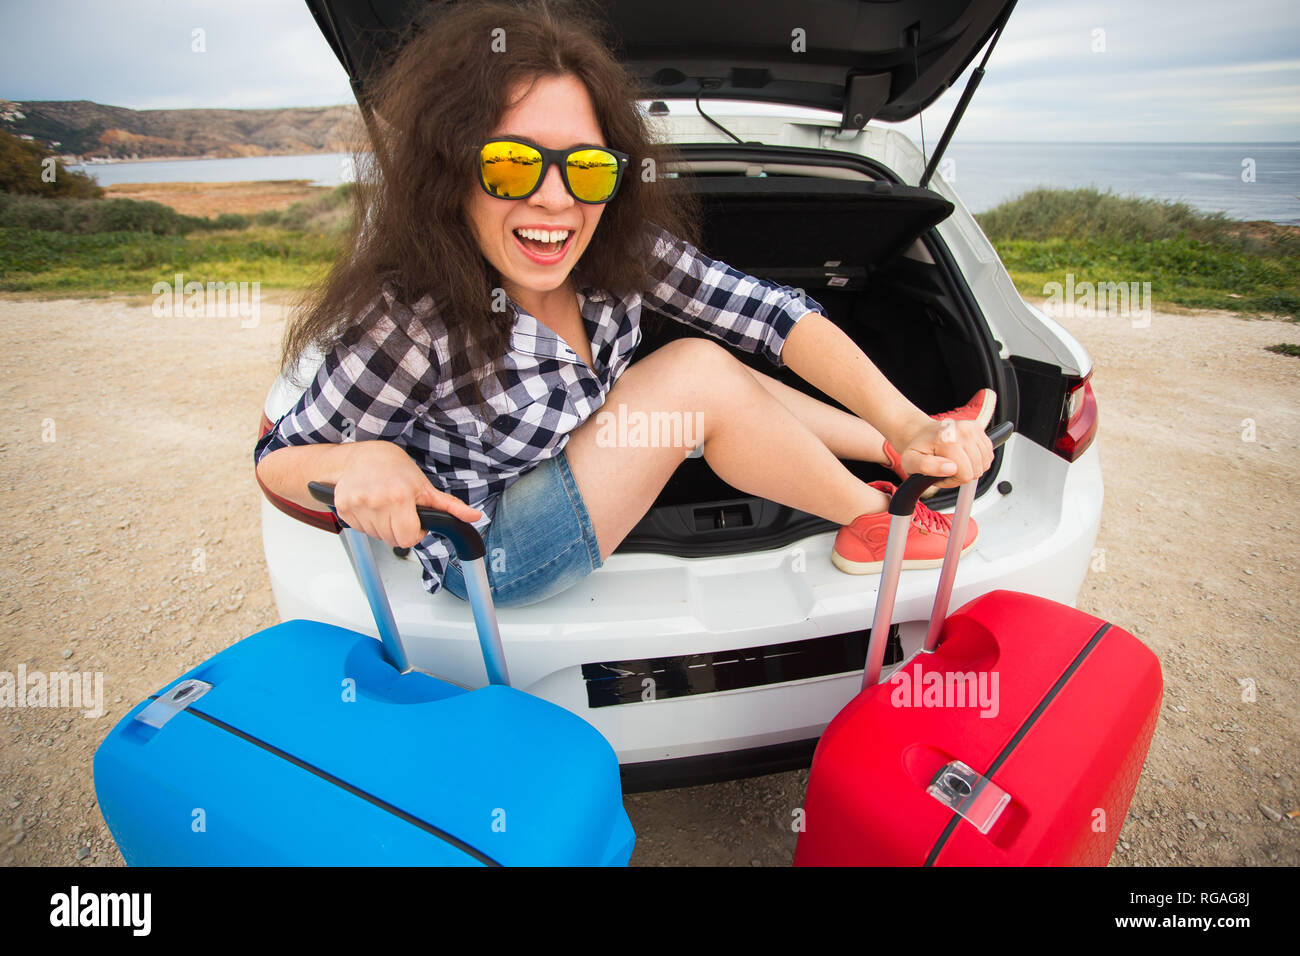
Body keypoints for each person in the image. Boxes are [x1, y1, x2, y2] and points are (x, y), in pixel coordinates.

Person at [254, 0, 996, 608]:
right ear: (450, 174)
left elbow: (770, 315)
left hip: (574, 466)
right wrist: (366, 456)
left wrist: (908, 418)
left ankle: (891, 450)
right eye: (511, 164)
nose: (555, 197)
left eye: (585, 167)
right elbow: (278, 459)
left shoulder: (619, 253)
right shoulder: (410, 319)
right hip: (495, 552)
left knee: (703, 366)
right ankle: (880, 523)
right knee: (695, 376)